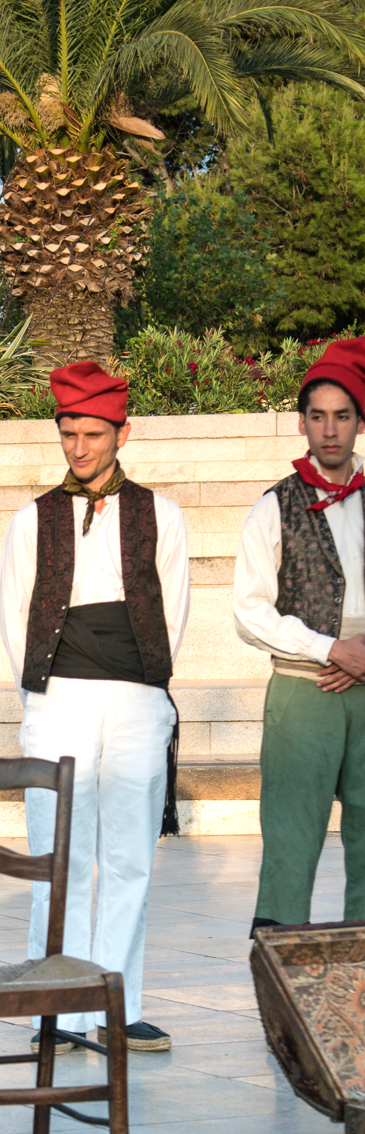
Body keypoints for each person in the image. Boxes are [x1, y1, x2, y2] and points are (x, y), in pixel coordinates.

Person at [0, 361, 190, 1054]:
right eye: (68, 433)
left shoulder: (162, 515)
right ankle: (57, 1008)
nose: (79, 447)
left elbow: (175, 610)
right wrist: (40, 701)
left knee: (131, 855)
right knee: (59, 855)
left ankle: (118, 1004)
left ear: (122, 433)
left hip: (138, 696)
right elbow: (14, 615)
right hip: (59, 697)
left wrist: (148, 691)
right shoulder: (32, 520)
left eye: (93, 433)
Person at [233, 337, 365, 931]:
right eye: (318, 417)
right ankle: (281, 994)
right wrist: (331, 649)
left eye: (342, 416)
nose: (330, 430)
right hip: (301, 688)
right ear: (302, 423)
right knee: (290, 843)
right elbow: (249, 611)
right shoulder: (273, 508)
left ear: (360, 422)